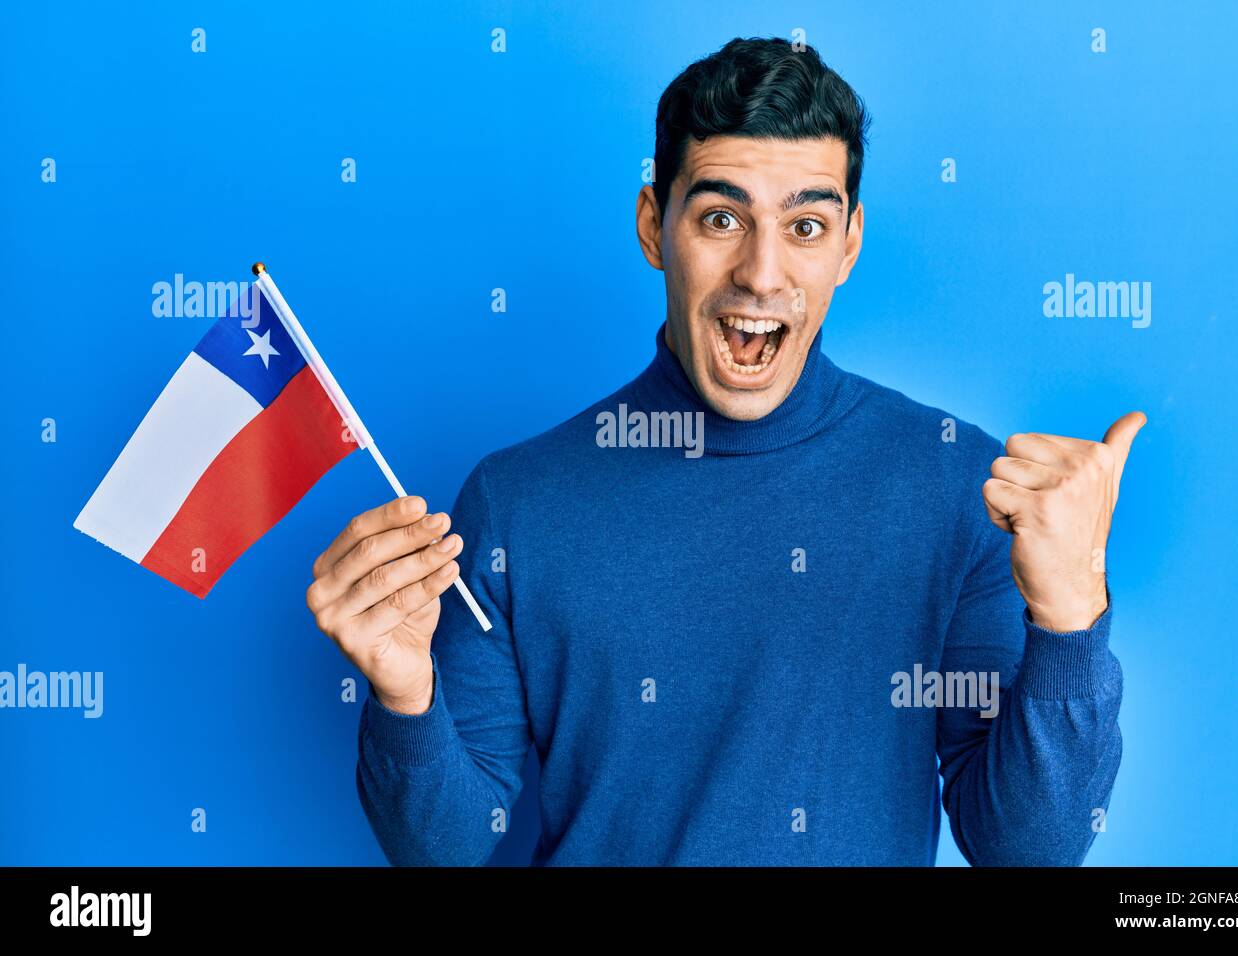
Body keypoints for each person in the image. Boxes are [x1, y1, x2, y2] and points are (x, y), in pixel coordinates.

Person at [306, 37, 1142, 866]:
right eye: (720, 218)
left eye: (806, 225)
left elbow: (1031, 849)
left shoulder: (958, 484)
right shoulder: (515, 502)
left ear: (848, 245)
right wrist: (405, 696)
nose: (762, 273)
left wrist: (1069, 619)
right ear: (652, 226)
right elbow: (446, 849)